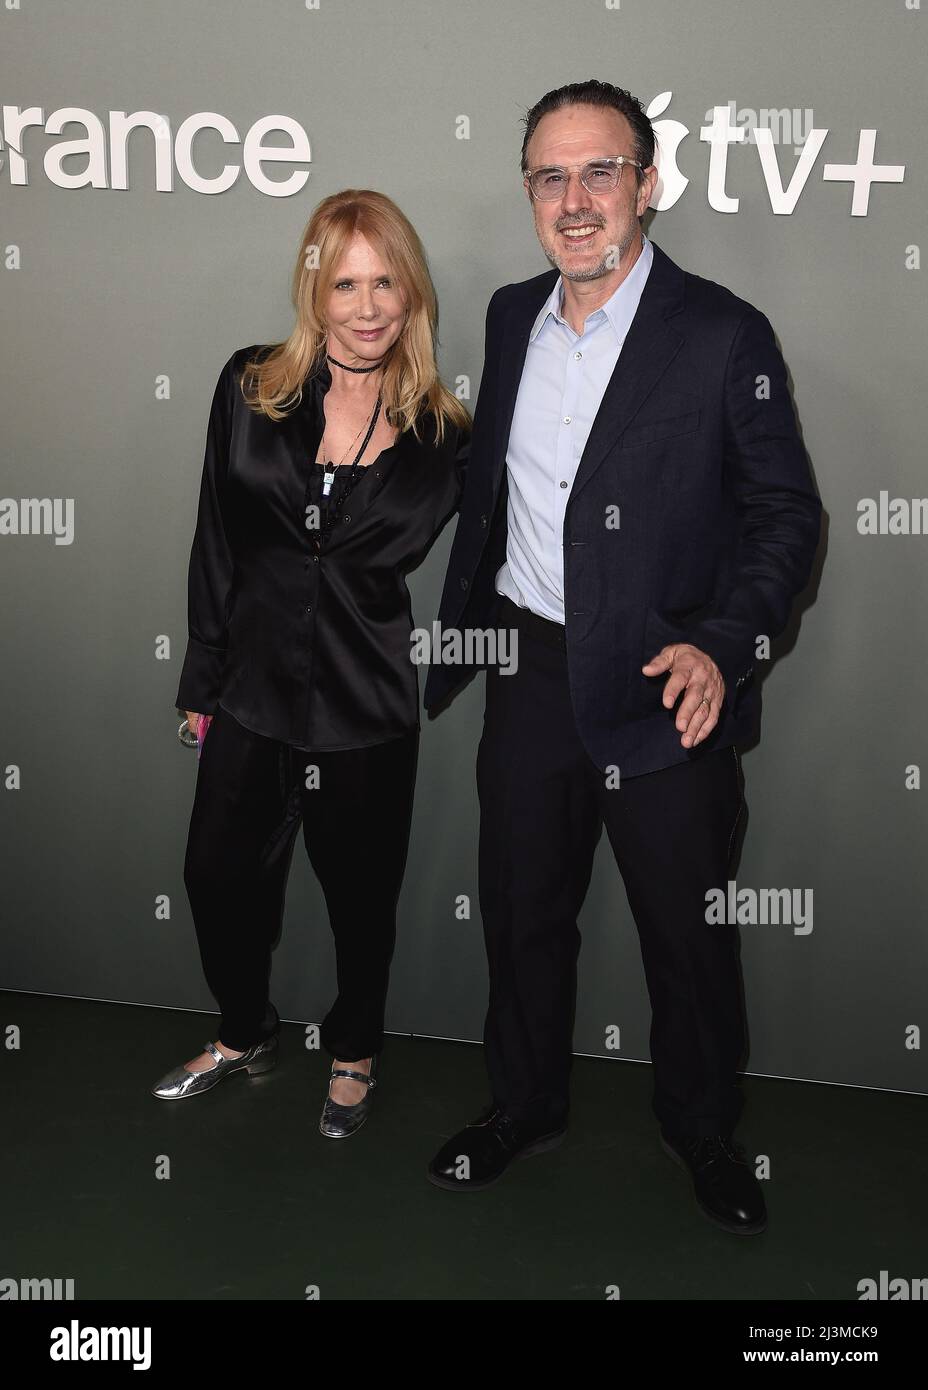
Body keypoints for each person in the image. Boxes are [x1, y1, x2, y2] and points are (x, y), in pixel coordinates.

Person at [423, 80, 822, 1233]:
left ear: (647, 186)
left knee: (686, 938)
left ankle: (703, 1131)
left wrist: (719, 644)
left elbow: (786, 515)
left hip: (664, 684)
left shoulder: (721, 333)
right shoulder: (508, 318)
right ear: (531, 197)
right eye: (549, 175)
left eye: (600, 171)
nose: (575, 198)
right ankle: (521, 1105)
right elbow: (484, 483)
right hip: (532, 675)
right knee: (520, 912)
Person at [152, 189, 470, 1140]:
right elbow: (217, 537)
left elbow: (508, 550)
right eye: (346, 284)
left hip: (365, 708)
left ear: (412, 296)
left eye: (387, 284)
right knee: (213, 875)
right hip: (249, 695)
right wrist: (201, 683)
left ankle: (355, 1050)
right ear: (314, 291)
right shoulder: (250, 386)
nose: (368, 307)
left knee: (361, 904)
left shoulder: (446, 436)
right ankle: (247, 1030)